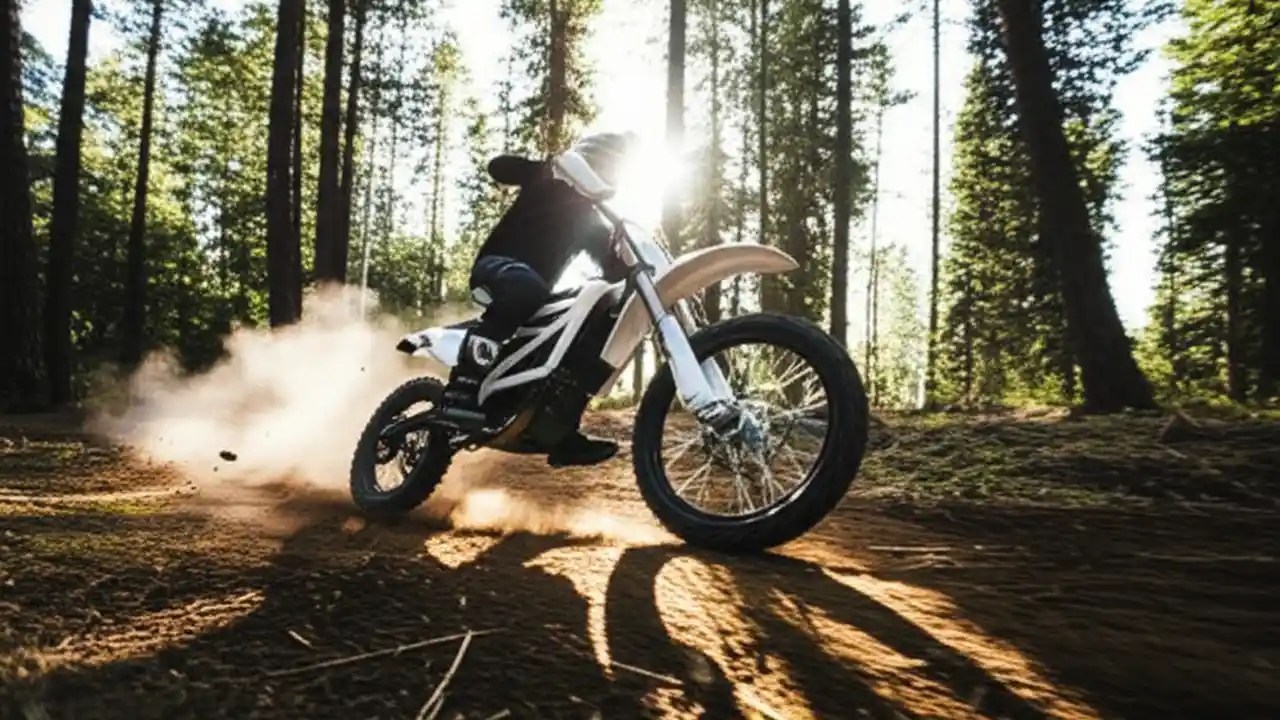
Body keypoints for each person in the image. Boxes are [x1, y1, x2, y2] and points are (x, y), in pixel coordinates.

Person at [437, 132, 634, 465]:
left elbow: (612, 273)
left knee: (592, 320)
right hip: (497, 267)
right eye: (604, 162)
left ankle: (560, 432)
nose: (606, 171)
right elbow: (498, 167)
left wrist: (624, 254)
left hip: (535, 294)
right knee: (527, 287)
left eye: (613, 168)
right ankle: (463, 387)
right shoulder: (546, 180)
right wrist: (539, 168)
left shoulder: (589, 221)